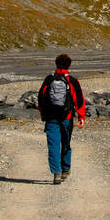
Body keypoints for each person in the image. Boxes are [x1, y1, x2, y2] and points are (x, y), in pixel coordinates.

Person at [38, 53, 86, 185]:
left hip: (51, 117)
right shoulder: (72, 81)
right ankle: (66, 169)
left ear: (56, 64)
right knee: (66, 143)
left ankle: (56, 173)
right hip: (67, 117)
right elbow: (79, 100)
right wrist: (81, 117)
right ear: (68, 65)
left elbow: (41, 97)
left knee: (53, 145)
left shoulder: (49, 79)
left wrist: (43, 113)